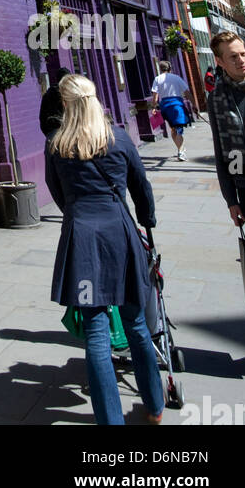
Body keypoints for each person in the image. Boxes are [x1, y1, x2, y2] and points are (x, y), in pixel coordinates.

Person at [45, 74, 164, 426]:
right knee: (137, 323)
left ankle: (110, 421)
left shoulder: (56, 145)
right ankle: (155, 406)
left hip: (83, 239)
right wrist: (147, 224)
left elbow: (58, 195)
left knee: (96, 333)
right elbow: (141, 188)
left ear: (65, 105)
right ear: (95, 98)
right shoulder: (120, 138)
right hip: (120, 235)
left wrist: (79, 215)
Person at [206, 31, 245, 249]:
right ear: (219, 62)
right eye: (233, 57)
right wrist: (231, 200)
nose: (241, 61)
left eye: (243, 54)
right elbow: (221, 150)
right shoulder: (217, 98)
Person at [148, 59, 194, 159]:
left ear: (160, 69)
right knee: (179, 128)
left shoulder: (157, 79)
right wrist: (193, 104)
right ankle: (181, 152)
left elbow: (155, 96)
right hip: (177, 105)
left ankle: (180, 149)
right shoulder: (177, 78)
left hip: (165, 106)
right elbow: (187, 92)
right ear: (170, 68)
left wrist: (154, 107)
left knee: (173, 128)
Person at [39, 68, 72, 138]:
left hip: (52, 133)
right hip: (68, 134)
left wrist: (49, 134)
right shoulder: (69, 95)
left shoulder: (47, 95)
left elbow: (42, 117)